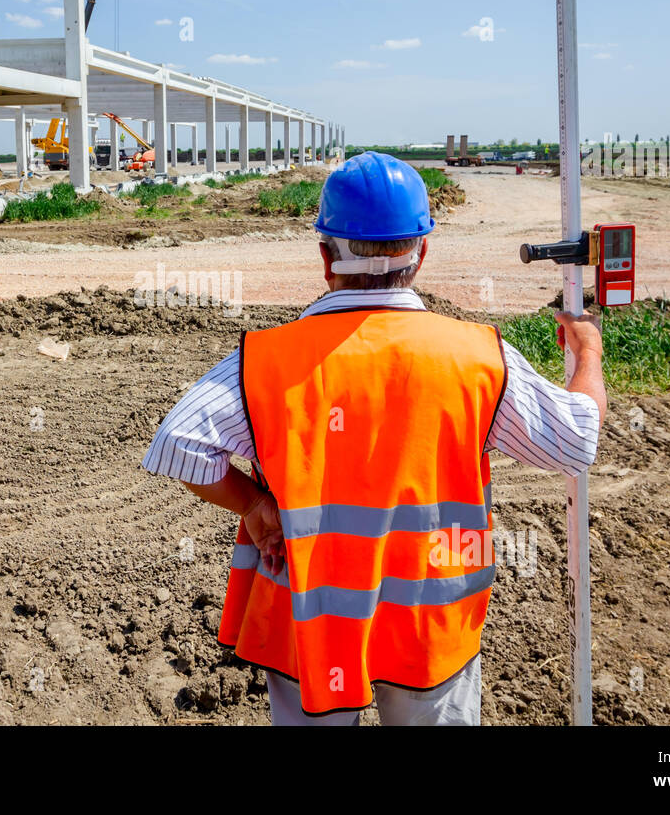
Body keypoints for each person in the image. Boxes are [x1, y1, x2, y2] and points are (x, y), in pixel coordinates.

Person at [141, 151, 606, 726]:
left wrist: (255, 504)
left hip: (310, 617)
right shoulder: (477, 355)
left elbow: (177, 444)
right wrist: (588, 353)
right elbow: (576, 442)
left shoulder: (267, 359)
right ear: (422, 252)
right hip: (429, 621)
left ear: (324, 256)